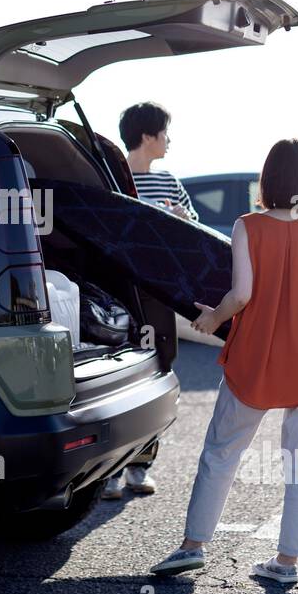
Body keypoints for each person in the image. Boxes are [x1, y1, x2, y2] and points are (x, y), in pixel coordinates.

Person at [149, 138, 298, 585]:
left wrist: (211, 318)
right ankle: (286, 563)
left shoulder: (248, 226)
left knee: (222, 452)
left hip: (255, 361)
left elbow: (241, 294)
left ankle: (193, 546)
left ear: (270, 179)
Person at [98, 102, 193, 501]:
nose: (169, 141)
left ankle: (140, 466)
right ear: (148, 136)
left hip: (159, 296)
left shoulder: (169, 182)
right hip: (120, 295)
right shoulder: (113, 182)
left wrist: (178, 217)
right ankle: (111, 471)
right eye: (165, 134)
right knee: (116, 381)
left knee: (157, 372)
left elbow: (193, 225)